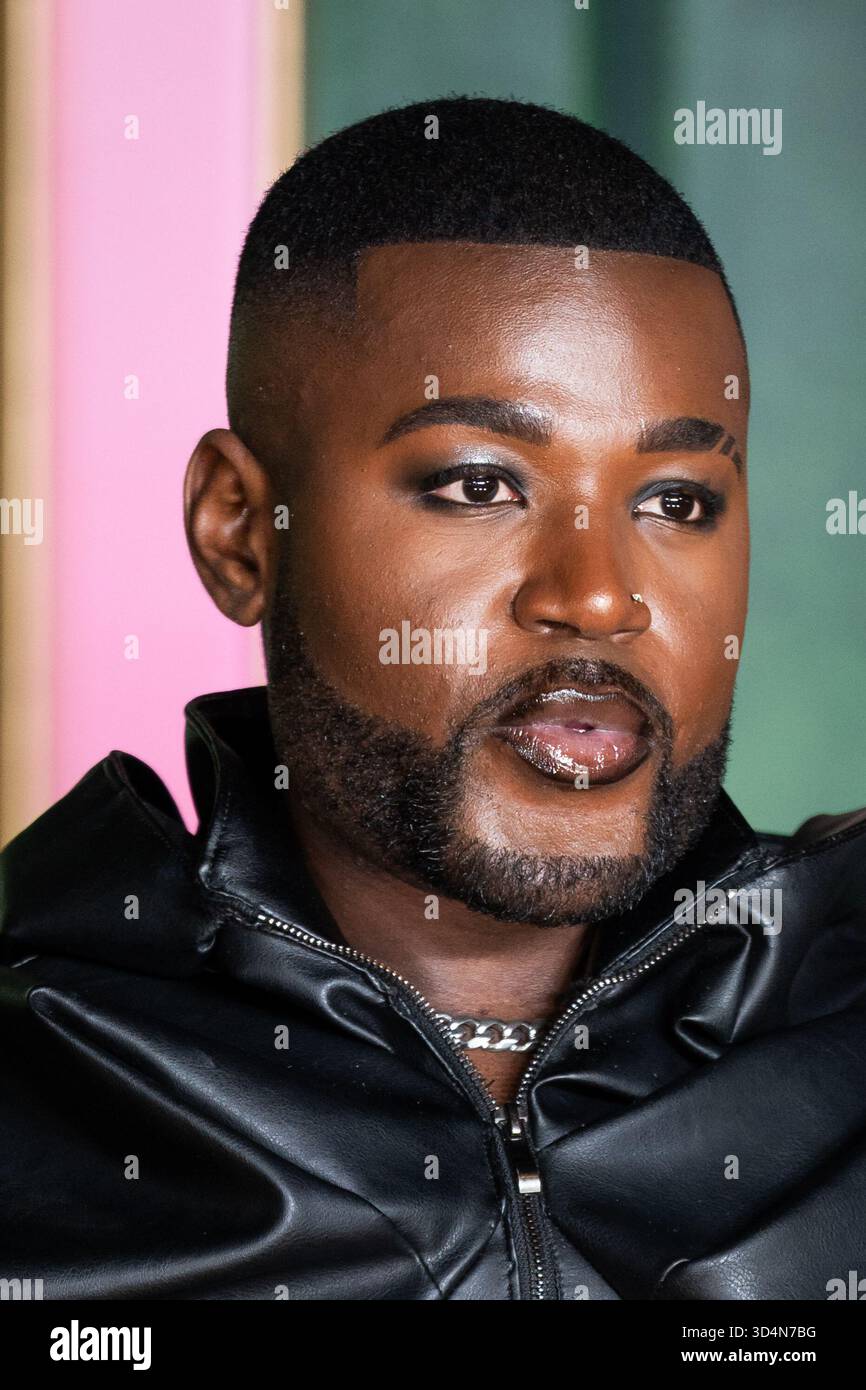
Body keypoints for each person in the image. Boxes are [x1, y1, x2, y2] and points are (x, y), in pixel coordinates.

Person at [1, 97, 864, 1301]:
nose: (600, 597)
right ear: (242, 531)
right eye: (476, 484)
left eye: (673, 500)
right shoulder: (43, 1085)